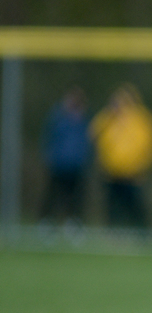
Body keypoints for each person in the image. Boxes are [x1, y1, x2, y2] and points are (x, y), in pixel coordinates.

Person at [89, 83, 152, 231]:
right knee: (112, 207)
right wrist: (109, 114)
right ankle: (114, 234)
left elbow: (150, 145)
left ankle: (142, 235)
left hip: (133, 174)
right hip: (111, 172)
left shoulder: (142, 119)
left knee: (135, 206)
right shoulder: (109, 118)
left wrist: (143, 166)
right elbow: (92, 133)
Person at [38, 87, 92, 229]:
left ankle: (73, 224)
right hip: (58, 164)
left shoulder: (84, 120)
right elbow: (48, 137)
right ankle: (46, 222)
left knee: (75, 198)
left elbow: (87, 143)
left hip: (76, 166)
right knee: (52, 195)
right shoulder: (58, 117)